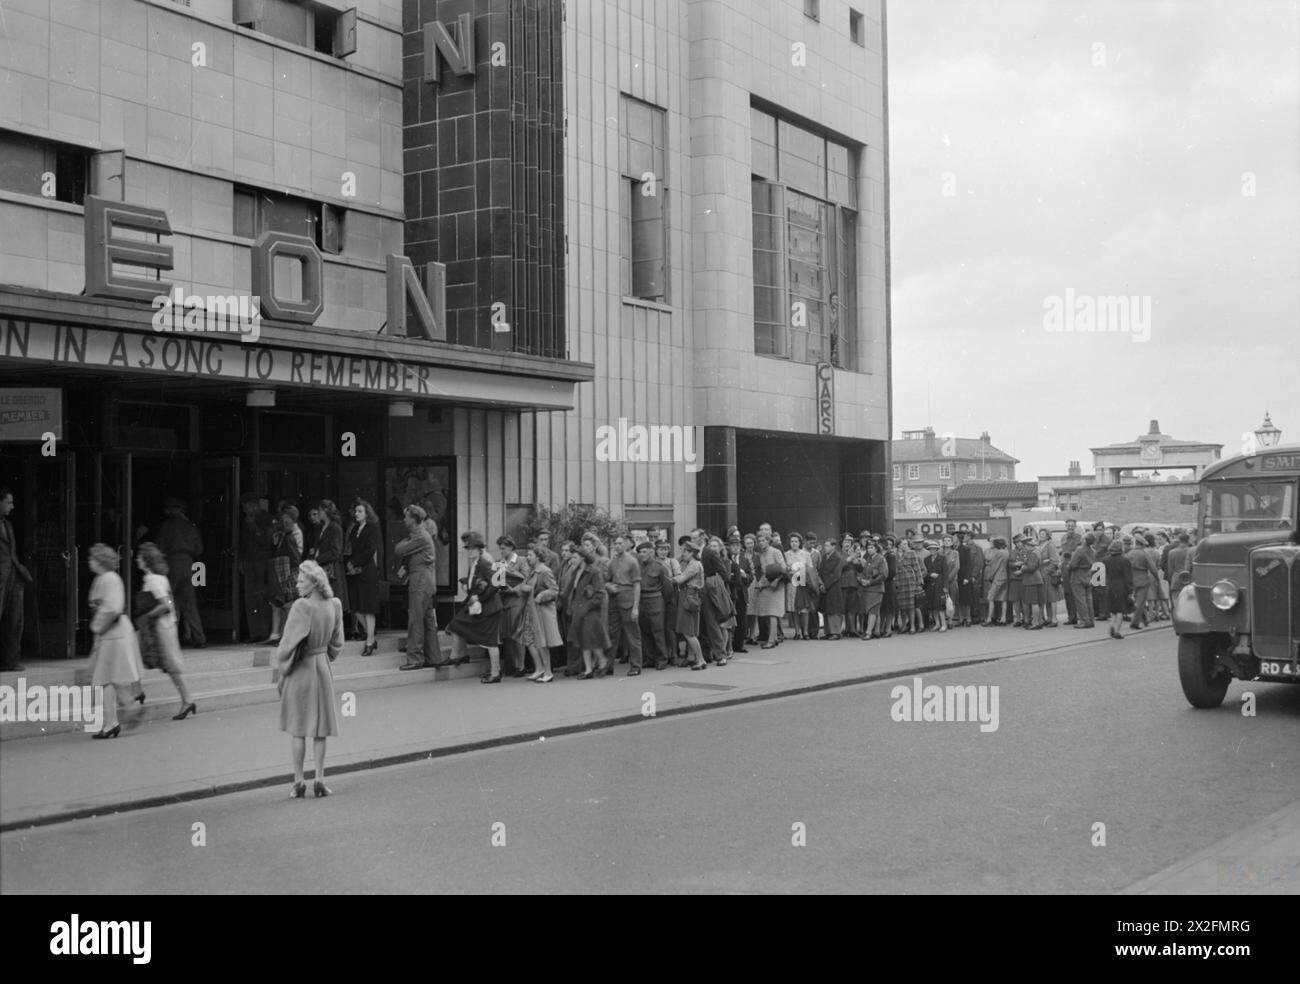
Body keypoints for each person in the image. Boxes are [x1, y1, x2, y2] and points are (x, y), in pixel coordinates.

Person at [272, 560, 343, 798]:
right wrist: (324, 654)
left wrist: (282, 667)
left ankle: (299, 781)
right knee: (320, 729)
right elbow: (337, 644)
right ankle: (320, 779)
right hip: (322, 667)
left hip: (302, 670)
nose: (297, 583)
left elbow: (287, 645)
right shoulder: (334, 604)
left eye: (301, 579)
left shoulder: (302, 606)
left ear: (313, 583)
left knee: (298, 729)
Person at [133, 542, 197, 719]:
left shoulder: (153, 580)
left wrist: (147, 616)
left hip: (160, 627)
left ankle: (187, 700)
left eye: (139, 557)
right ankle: (137, 689)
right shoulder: (157, 578)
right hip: (160, 626)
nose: (136, 559)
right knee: (134, 652)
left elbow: (165, 605)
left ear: (146, 561)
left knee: (171, 665)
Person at [86, 544, 143, 739]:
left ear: (99, 561)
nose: (90, 561)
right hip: (115, 633)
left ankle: (113, 722)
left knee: (105, 679)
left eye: (92, 558)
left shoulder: (106, 579)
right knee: (109, 678)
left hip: (113, 634)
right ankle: (125, 712)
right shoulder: (109, 579)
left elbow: (111, 609)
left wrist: (97, 628)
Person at [447, 532, 504, 682]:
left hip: (490, 608)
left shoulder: (485, 562)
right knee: (456, 625)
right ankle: (459, 655)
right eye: (468, 548)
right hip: (481, 606)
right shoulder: (477, 562)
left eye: (472, 548)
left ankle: (495, 673)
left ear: (480, 549)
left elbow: (497, 584)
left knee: (491, 642)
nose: (469, 551)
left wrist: (479, 597)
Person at [153, 498, 205, 648]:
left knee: (169, 601)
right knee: (190, 604)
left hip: (172, 563)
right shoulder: (191, 526)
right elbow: (199, 548)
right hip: (189, 564)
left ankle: (169, 638)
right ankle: (199, 637)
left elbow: (159, 547)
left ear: (172, 509)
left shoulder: (166, 526)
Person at [396, 505, 440, 670]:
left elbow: (399, 549)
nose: (404, 520)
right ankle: (434, 657)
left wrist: (406, 543)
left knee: (416, 620)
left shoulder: (420, 536)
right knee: (428, 621)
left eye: (406, 517)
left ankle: (415, 659)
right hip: (426, 582)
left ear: (414, 519)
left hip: (419, 582)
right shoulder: (421, 535)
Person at [519, 543, 562, 682]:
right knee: (534, 641)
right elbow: (529, 587)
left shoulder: (544, 571)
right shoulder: (533, 571)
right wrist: (525, 588)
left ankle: (548, 672)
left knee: (543, 642)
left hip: (541, 611)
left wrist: (541, 595)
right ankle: (541, 669)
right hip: (531, 610)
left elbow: (554, 590)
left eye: (530, 555)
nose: (527, 557)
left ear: (538, 557)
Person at [0, 487, 33, 671]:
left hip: (13, 576)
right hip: (1, 577)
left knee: (14, 620)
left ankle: (10, 661)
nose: (12, 506)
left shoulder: (8, 525)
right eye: (8, 502)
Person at [571, 545, 613, 679]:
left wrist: (587, 607)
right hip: (579, 610)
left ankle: (602, 661)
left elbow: (600, 593)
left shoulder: (594, 572)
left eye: (575, 557)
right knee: (583, 640)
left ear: (582, 558)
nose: (572, 559)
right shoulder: (575, 571)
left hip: (590, 611)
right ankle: (588, 669)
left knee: (591, 639)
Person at [345, 500, 381, 655]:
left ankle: (370, 641)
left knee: (367, 607)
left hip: (367, 571)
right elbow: (350, 549)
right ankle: (371, 635)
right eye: (356, 511)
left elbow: (370, 549)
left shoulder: (373, 528)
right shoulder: (354, 530)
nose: (357, 513)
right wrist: (349, 564)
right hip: (354, 570)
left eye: (360, 511)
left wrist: (354, 562)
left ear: (367, 513)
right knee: (356, 607)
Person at [264, 506, 304, 645]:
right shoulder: (283, 534)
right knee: (278, 603)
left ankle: (285, 635)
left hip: (288, 572)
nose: (283, 520)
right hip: (282, 572)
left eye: (285, 517)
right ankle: (276, 635)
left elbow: (295, 556)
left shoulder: (291, 535)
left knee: (287, 604)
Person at [604, 534, 643, 675]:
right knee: (612, 633)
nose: (617, 545)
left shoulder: (632, 562)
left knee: (632, 634)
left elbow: (637, 585)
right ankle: (608, 666)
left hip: (628, 597)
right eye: (616, 543)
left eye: (620, 543)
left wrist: (636, 608)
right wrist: (608, 586)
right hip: (614, 598)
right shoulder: (611, 562)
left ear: (627, 545)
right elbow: (606, 580)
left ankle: (636, 666)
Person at [238, 494, 274, 644]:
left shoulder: (265, 520)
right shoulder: (243, 521)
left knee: (261, 596)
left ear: (254, 505)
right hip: (248, 561)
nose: (244, 509)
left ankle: (264, 631)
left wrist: (252, 525)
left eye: (247, 505)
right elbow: (241, 542)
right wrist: (240, 560)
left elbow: (266, 541)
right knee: (250, 597)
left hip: (262, 562)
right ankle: (254, 632)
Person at [635, 540, 672, 669]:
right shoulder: (638, 566)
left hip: (655, 600)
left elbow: (668, 588)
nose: (641, 554)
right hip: (641, 601)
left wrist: (663, 602)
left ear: (651, 552)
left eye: (644, 552)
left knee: (658, 631)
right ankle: (649, 658)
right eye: (639, 552)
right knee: (645, 631)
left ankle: (662, 659)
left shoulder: (660, 567)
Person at [672, 540, 707, 669]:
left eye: (685, 551)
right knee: (691, 629)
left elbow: (680, 579)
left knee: (688, 632)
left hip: (688, 596)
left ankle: (701, 659)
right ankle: (692, 657)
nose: (683, 554)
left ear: (692, 553)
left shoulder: (693, 565)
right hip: (691, 596)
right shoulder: (694, 563)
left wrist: (670, 577)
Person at [312, 500, 350, 615]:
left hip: (332, 570)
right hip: (322, 569)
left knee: (331, 604)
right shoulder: (322, 527)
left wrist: (317, 559)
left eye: (319, 510)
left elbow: (336, 552)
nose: (318, 513)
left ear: (325, 511)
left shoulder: (335, 528)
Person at [754, 532, 788, 648]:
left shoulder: (776, 552)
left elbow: (784, 568)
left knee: (773, 612)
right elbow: (763, 572)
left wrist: (777, 581)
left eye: (763, 540)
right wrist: (760, 583)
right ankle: (773, 637)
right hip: (766, 584)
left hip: (776, 585)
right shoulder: (761, 554)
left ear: (768, 541)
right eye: (759, 541)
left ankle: (771, 641)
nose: (761, 543)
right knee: (768, 613)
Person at [1101, 541, 1134, 639]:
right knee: (1120, 609)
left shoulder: (1105, 560)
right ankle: (1117, 631)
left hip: (1109, 585)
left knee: (1113, 609)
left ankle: (1111, 625)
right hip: (1121, 586)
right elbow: (1128, 577)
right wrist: (1131, 590)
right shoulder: (1125, 561)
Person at [1066, 533, 1097, 629]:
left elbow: (1072, 565)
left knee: (1080, 600)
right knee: (1088, 599)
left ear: (1084, 540)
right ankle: (1091, 620)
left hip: (1078, 576)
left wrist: (1067, 567)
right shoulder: (1092, 551)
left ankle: (1085, 620)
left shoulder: (1079, 550)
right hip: (1087, 575)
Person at [1126, 536, 1156, 630]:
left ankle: (1145, 619)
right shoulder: (1145, 554)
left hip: (1131, 579)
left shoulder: (1129, 554)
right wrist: (1157, 578)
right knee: (1140, 602)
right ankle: (1135, 622)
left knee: (1139, 601)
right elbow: (1152, 568)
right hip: (1143, 579)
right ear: (1142, 544)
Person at [860, 540, 887, 639]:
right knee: (873, 611)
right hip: (867, 589)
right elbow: (864, 572)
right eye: (868, 548)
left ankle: (868, 632)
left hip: (877, 588)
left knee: (873, 611)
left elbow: (884, 574)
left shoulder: (881, 559)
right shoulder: (868, 559)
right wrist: (861, 579)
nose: (869, 549)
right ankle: (876, 631)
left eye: (871, 547)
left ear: (876, 548)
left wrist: (870, 582)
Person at [1036, 528, 1061, 628]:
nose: (1041, 535)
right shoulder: (1040, 545)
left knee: (1052, 598)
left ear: (1048, 535)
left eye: (1043, 534)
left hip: (1049, 575)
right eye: (1040, 534)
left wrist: (1047, 571)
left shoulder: (1050, 545)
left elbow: (1055, 561)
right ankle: (1049, 618)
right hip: (1041, 575)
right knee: (1046, 598)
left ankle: (1054, 619)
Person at [1059, 520, 1082, 624]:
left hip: (1075, 567)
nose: (1070, 527)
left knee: (1076, 592)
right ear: (1065, 526)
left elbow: (1081, 552)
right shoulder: (1063, 538)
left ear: (1075, 526)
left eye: (1072, 526)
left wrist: (1071, 554)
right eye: (1068, 526)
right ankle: (1071, 617)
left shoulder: (1079, 538)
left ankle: (1080, 616)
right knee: (1067, 592)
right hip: (1065, 567)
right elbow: (1062, 552)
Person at [923, 540, 949, 632]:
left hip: (940, 584)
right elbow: (925, 572)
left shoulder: (942, 558)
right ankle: (937, 624)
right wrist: (930, 575)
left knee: (940, 605)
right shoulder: (926, 560)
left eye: (934, 549)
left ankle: (944, 624)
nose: (932, 551)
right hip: (930, 584)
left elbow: (946, 573)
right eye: (930, 549)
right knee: (932, 605)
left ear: (937, 549)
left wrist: (945, 586)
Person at [983, 537, 1009, 625]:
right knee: (1003, 598)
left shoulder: (998, 553)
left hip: (998, 577)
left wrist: (990, 576)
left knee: (990, 597)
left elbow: (995, 566)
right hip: (1005, 576)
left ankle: (989, 619)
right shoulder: (1006, 552)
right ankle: (1003, 618)